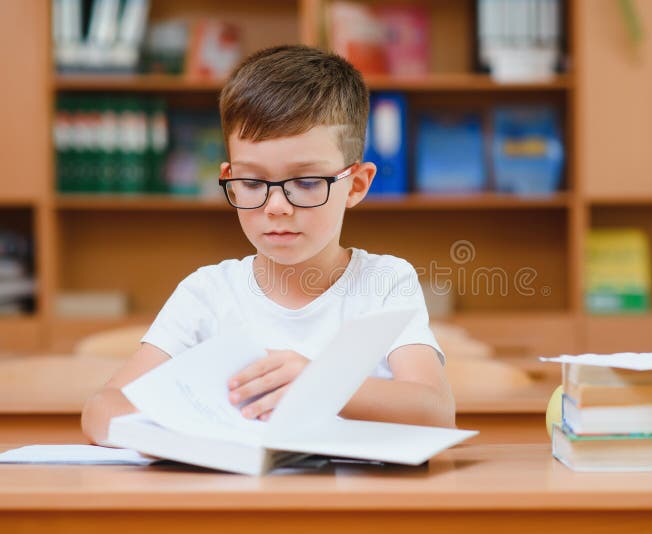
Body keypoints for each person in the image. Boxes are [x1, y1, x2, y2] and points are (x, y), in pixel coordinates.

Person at [81, 45, 455, 445]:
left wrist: (320, 384)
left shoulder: (384, 282)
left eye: (307, 183)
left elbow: (435, 411)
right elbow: (102, 408)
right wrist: (165, 435)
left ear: (357, 184)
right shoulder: (207, 293)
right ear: (229, 177)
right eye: (253, 183)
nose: (276, 207)